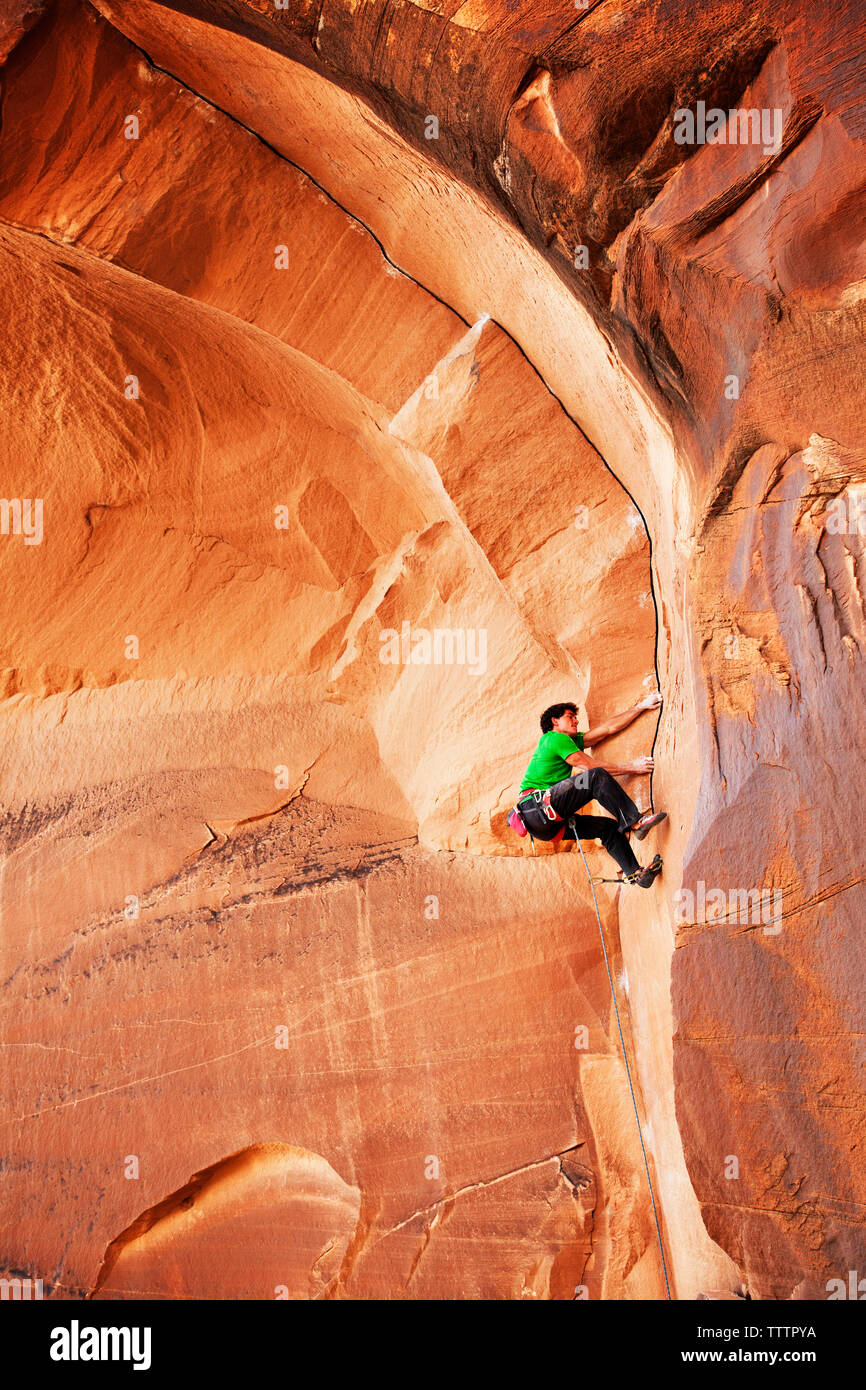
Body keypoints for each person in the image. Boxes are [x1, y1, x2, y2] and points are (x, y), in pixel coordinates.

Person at [509, 695, 666, 887]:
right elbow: (590, 767)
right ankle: (635, 822)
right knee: (596, 776)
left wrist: (641, 706)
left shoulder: (569, 741)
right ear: (555, 721)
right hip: (538, 806)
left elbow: (607, 729)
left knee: (607, 828)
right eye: (570, 716)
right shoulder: (554, 738)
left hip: (543, 826)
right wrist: (633, 767)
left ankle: (636, 873)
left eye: (576, 717)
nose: (576, 720)